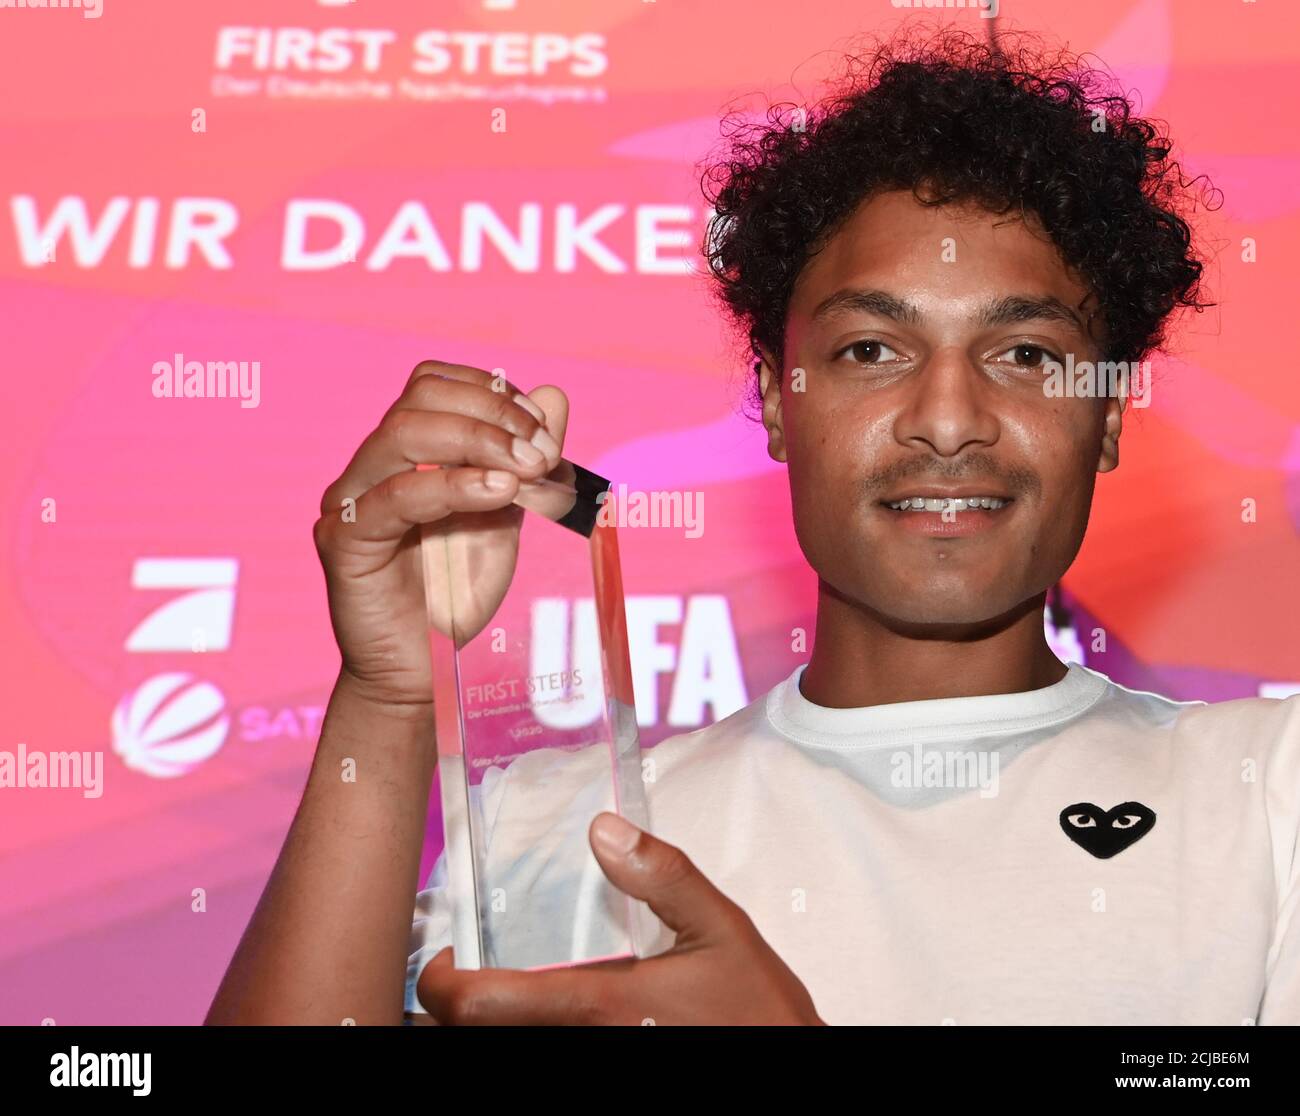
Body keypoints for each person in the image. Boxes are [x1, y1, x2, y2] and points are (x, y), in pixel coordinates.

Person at [205, 28, 1299, 1026]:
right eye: (872, 349)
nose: (949, 422)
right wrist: (388, 692)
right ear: (778, 402)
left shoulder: (1264, 797)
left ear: (1105, 417)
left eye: (1024, 355)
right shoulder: (559, 828)